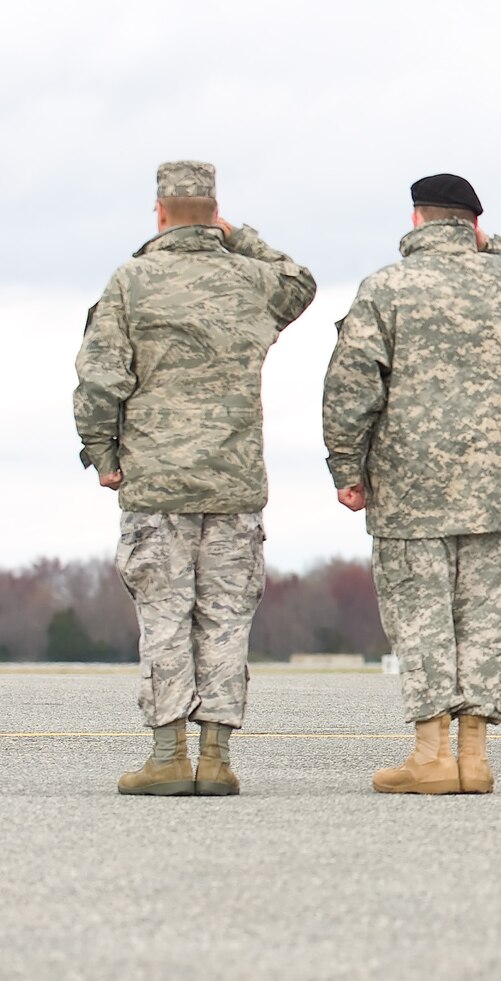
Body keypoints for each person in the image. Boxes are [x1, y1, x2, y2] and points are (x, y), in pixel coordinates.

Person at [73, 160, 316, 796]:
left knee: (164, 617)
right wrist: (239, 238)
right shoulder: (252, 280)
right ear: (215, 212)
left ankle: (165, 756)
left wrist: (103, 455)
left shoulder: (131, 280)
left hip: (157, 482)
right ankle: (217, 758)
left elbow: (100, 378)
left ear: (157, 213)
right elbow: (302, 281)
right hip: (233, 484)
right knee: (226, 619)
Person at [322, 174, 501, 795]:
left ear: (416, 220)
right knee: (485, 620)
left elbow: (350, 388)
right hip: (499, 483)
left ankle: (431, 756)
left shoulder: (386, 288)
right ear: (473, 224)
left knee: (421, 617)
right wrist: (492, 247)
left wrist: (347, 470)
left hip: (411, 487)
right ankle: (475, 757)